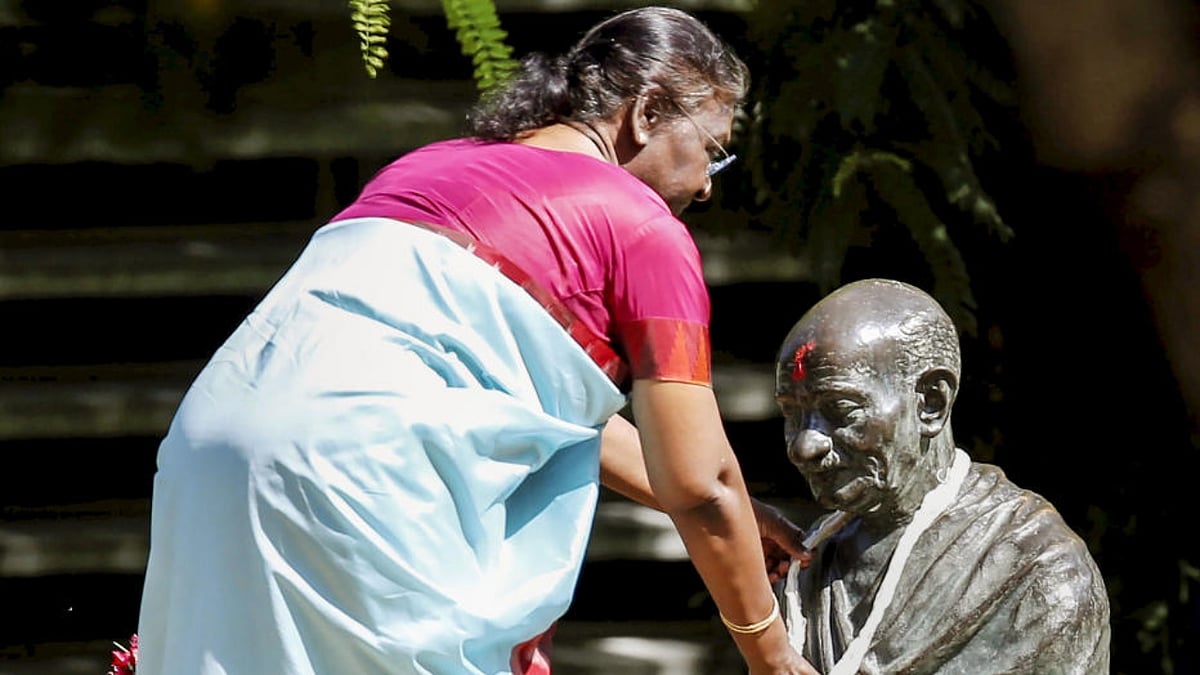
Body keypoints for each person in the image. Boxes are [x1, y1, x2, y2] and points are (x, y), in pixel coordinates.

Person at [136, 7, 815, 675]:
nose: (704, 186)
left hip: (209, 452)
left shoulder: (425, 165)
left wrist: (744, 518)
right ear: (648, 112)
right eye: (713, 151)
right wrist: (772, 654)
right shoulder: (641, 225)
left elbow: (515, 399)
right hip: (366, 471)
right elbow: (700, 481)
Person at [773, 278, 1111, 674]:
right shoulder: (805, 567)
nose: (804, 445)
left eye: (841, 409)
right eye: (791, 413)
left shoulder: (1036, 570)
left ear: (931, 402)